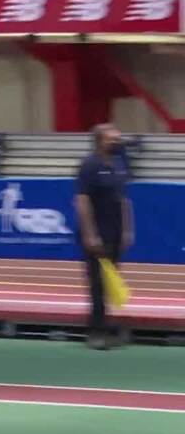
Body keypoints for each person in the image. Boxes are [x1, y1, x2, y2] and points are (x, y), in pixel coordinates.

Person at [74, 124, 133, 351]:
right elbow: (82, 201)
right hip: (97, 235)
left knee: (110, 283)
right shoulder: (89, 166)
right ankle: (95, 332)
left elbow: (124, 200)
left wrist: (127, 230)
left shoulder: (119, 165)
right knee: (97, 284)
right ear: (100, 141)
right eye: (113, 139)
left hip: (115, 233)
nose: (118, 143)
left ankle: (107, 328)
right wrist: (90, 234)